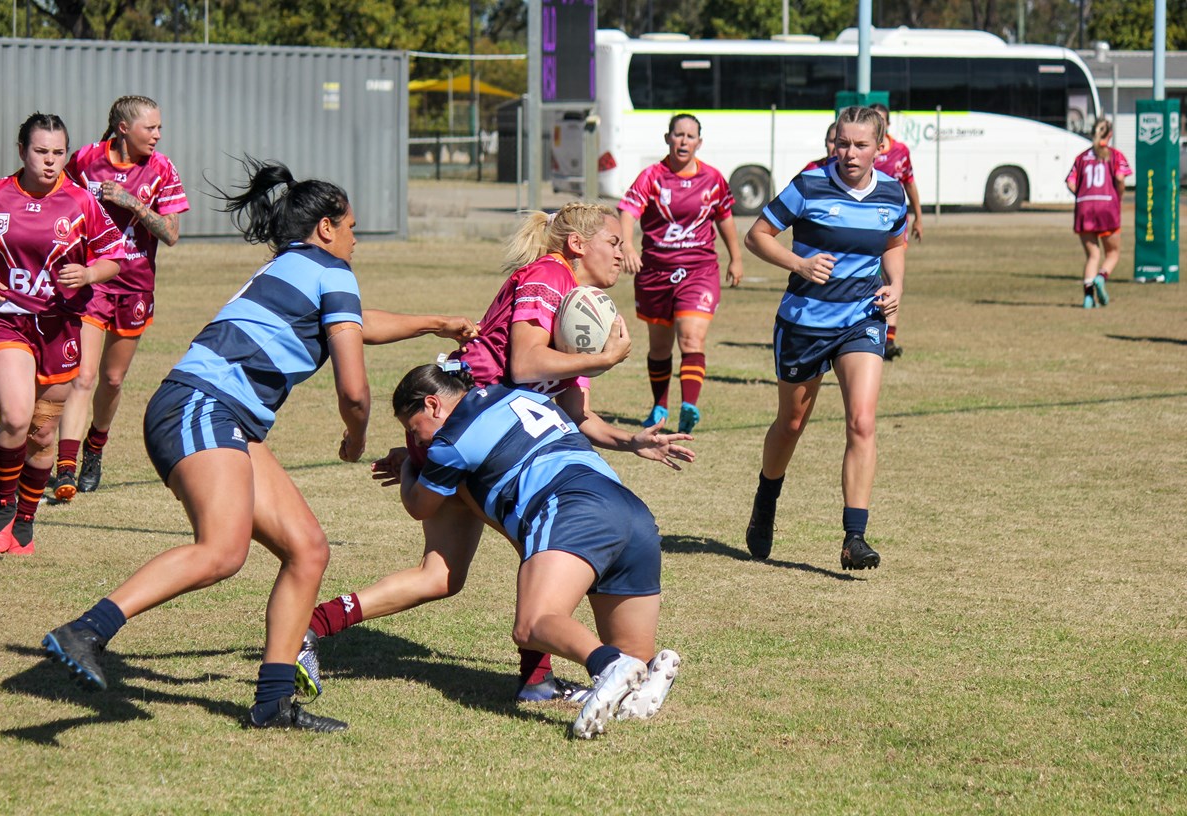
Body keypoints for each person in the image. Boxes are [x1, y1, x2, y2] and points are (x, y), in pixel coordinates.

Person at [41, 159, 474, 732]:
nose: (355, 239)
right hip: (203, 405)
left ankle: (272, 705)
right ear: (326, 228)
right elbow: (354, 388)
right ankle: (87, 630)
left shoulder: (297, 267)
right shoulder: (330, 269)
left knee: (307, 549)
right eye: (351, 228)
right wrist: (356, 434)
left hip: (221, 415)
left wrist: (434, 323)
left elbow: (356, 322)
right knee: (222, 550)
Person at [301, 202, 693, 704]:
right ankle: (312, 627)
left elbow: (572, 411)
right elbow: (527, 363)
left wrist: (630, 440)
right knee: (463, 563)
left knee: (448, 573)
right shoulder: (547, 276)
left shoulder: (574, 302)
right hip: (465, 432)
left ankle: (536, 679)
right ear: (577, 245)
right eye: (614, 242)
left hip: (498, 443)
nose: (622, 253)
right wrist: (603, 359)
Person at [392, 363, 681, 738]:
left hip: (572, 507)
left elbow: (420, 506)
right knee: (634, 668)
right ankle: (643, 680)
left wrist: (405, 469)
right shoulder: (522, 394)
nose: (419, 443)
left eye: (413, 431)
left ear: (433, 405)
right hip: (631, 512)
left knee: (532, 624)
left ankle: (608, 665)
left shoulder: (453, 440)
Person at [742, 106, 906, 569]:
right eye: (842, 143)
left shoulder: (893, 194)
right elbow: (757, 236)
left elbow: (895, 245)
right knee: (791, 424)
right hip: (805, 322)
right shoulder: (810, 185)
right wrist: (799, 264)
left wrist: (895, 287)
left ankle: (854, 537)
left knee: (863, 422)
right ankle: (766, 497)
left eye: (860, 144)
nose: (849, 153)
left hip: (862, 319)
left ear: (880, 146)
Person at [0, 112, 125, 555]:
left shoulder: (80, 202)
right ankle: (3, 501)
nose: (50, 161)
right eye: (40, 152)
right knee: (15, 418)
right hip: (6, 319)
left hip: (60, 327)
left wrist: (89, 272)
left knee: (41, 435)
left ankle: (27, 514)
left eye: (58, 153)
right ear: (21, 151)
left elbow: (114, 258)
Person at [50, 96, 190, 502]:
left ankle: (95, 447)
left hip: (135, 286)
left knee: (111, 380)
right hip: (92, 283)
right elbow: (59, 204)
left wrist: (131, 202)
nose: (158, 135)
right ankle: (66, 467)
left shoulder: (162, 168)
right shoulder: (85, 160)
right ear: (125, 129)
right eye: (151, 128)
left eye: (160, 127)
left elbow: (171, 234)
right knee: (84, 376)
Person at [618, 113, 743, 435]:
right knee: (659, 348)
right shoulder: (651, 176)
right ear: (667, 138)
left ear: (699, 142)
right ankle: (660, 406)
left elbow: (725, 217)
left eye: (690, 136)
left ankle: (690, 406)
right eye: (678, 134)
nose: (684, 140)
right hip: (656, 273)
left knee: (691, 337)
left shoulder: (713, 179)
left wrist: (736, 258)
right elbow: (627, 212)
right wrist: (628, 248)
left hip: (699, 270)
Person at [869, 103, 923, 360]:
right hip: (865, 227)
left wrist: (919, 218)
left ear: (888, 124)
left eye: (882, 120)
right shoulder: (863, 150)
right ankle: (869, 333)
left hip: (893, 227)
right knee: (870, 279)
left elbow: (910, 185)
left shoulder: (900, 151)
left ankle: (888, 339)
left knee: (893, 280)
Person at [1066, 117, 1131, 309]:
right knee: (1112, 253)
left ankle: (1088, 298)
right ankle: (1101, 278)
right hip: (1107, 207)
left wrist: (1082, 195)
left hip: (1084, 208)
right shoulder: (1115, 155)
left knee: (1092, 255)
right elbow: (1120, 177)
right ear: (1110, 134)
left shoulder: (1081, 157)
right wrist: (1119, 195)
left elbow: (1070, 182)